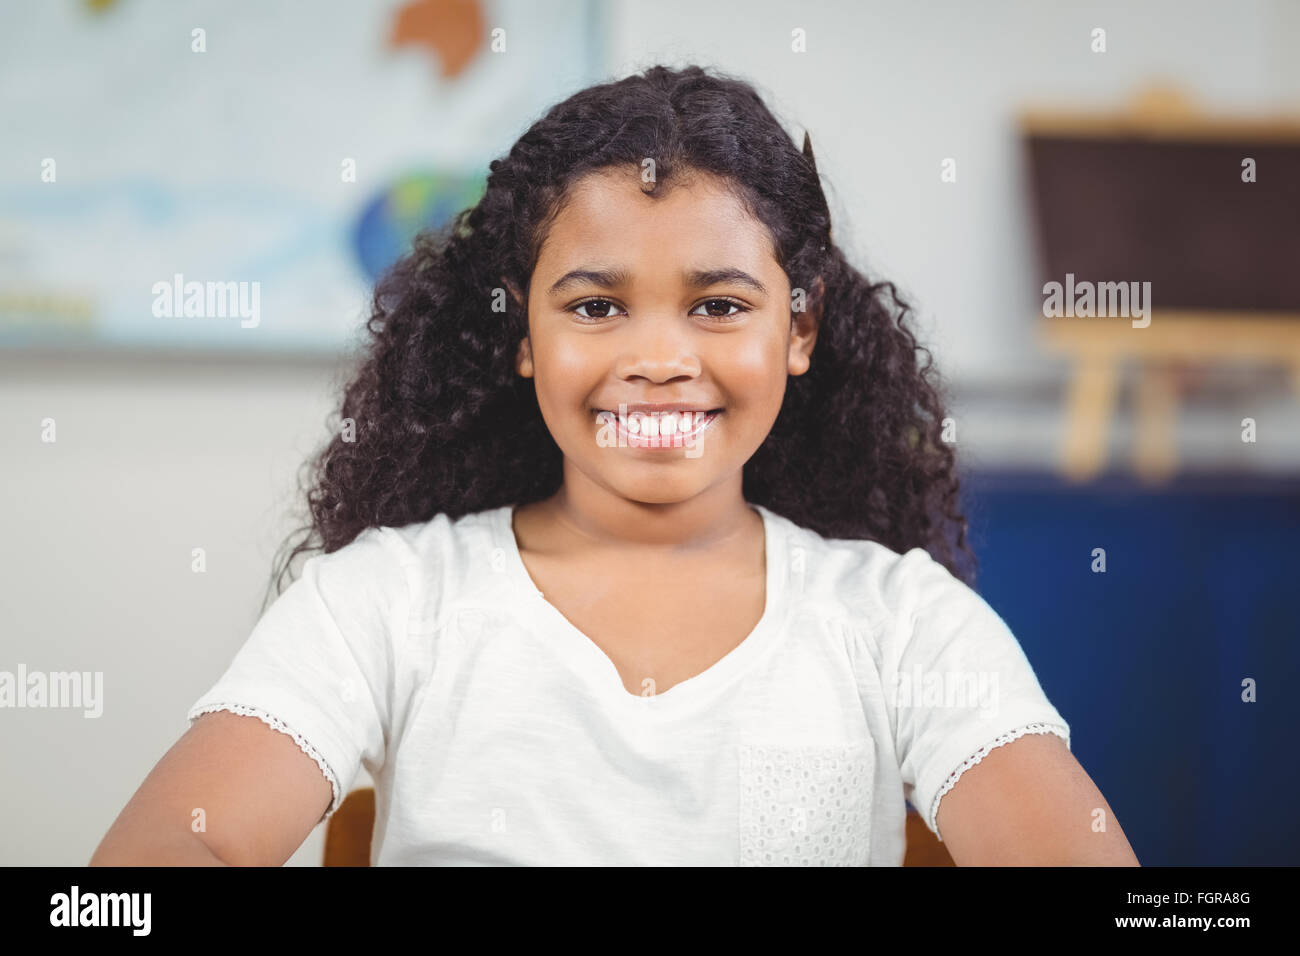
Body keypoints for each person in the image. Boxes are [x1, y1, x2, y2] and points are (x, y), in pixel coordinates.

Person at [91, 64, 1138, 866]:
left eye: (718, 305)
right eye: (596, 306)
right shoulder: (384, 599)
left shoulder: (900, 622)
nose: (656, 359)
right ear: (521, 334)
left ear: (800, 327)